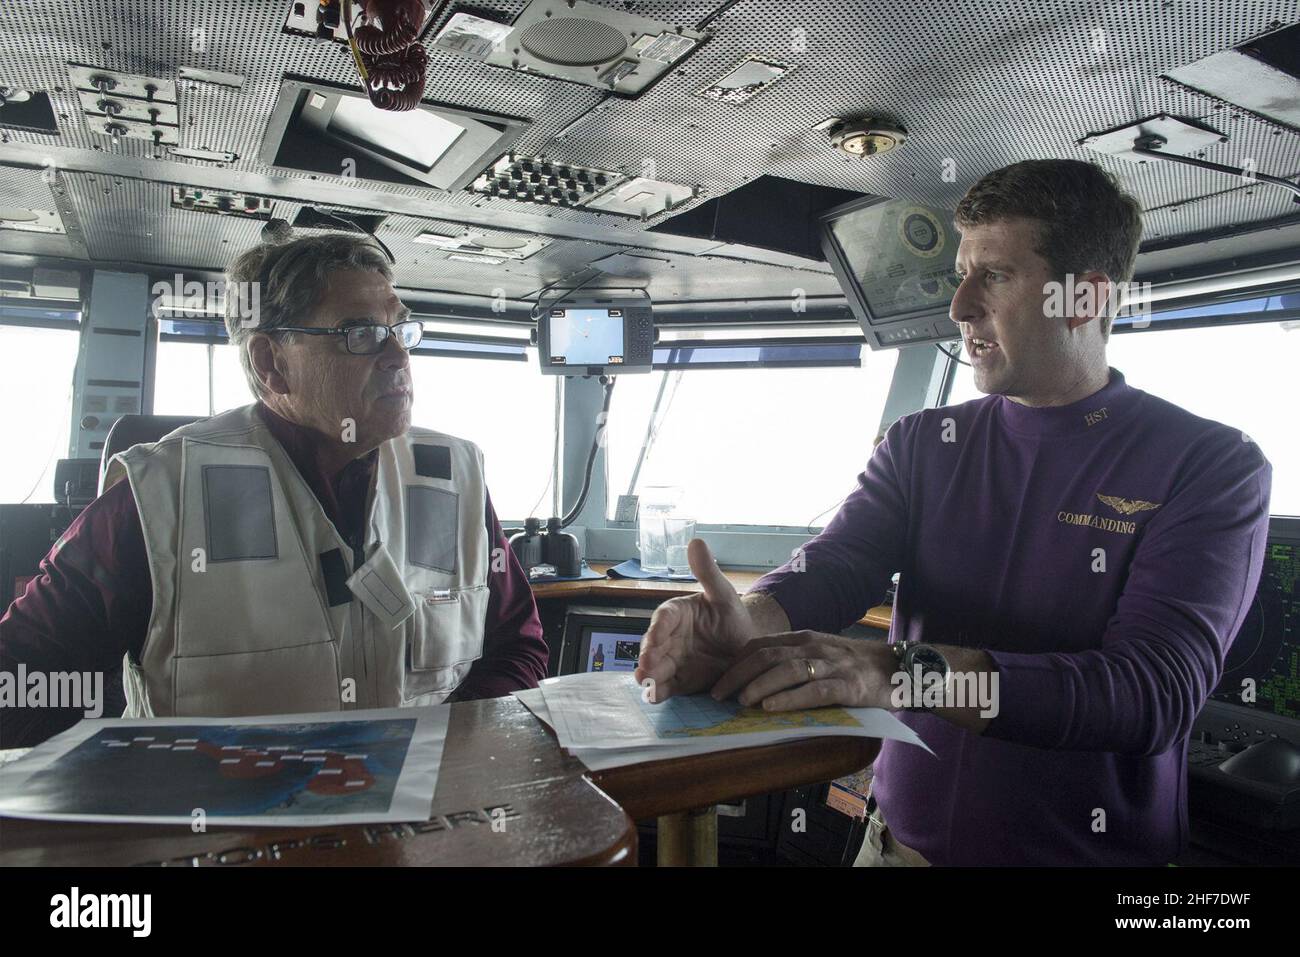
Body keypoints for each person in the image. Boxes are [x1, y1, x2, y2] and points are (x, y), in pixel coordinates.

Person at [635, 159, 1273, 866]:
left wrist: (905, 672)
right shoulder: (924, 444)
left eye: (994, 275)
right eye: (964, 272)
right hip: (894, 849)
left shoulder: (1210, 465)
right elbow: (841, 564)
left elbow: (1151, 690)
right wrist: (752, 619)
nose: (959, 305)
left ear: (1084, 298)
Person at [1, 234, 547, 747]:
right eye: (361, 334)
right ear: (271, 364)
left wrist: (442, 752)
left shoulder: (455, 475)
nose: (399, 357)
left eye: (400, 330)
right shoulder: (159, 496)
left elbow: (516, 645)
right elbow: (25, 684)